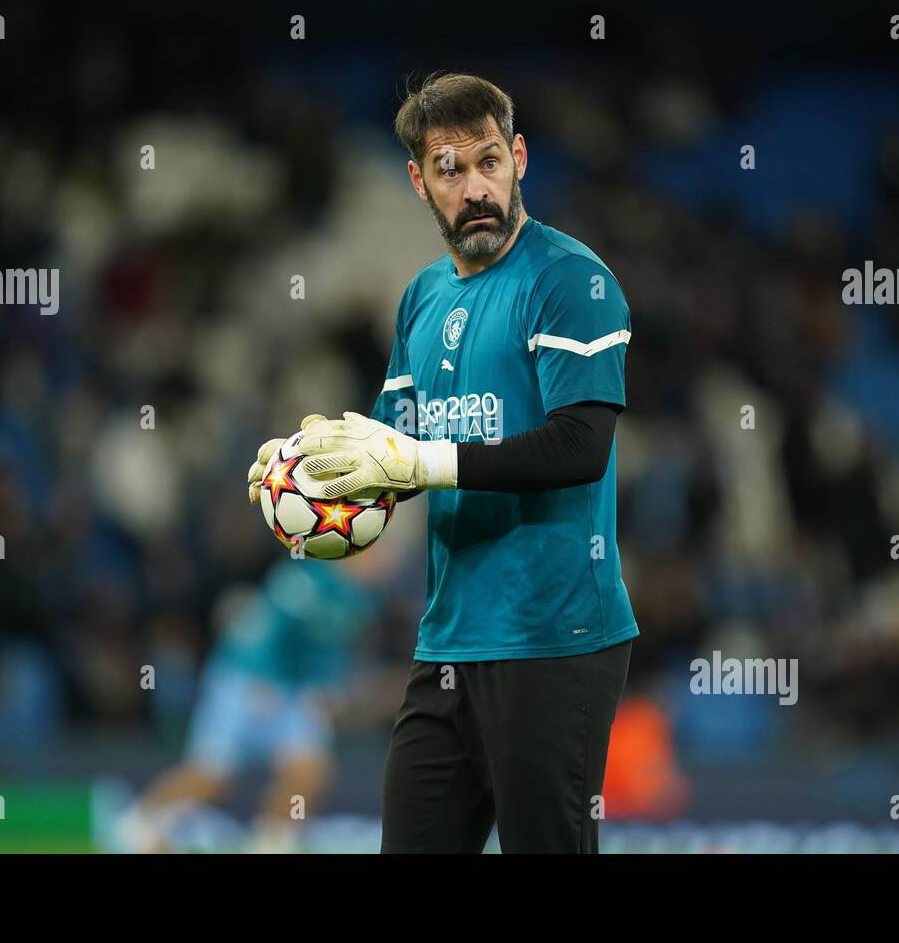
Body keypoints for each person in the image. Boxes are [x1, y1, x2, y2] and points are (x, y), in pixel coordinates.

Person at [248, 73, 638, 853]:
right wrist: (307, 469)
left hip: (555, 635)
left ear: (519, 157)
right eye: (450, 170)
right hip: (449, 643)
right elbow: (388, 460)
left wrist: (419, 463)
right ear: (419, 181)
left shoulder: (571, 280)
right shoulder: (421, 298)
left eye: (489, 159)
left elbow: (579, 448)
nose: (476, 186)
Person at [119, 550, 388, 853]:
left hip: (296, 690)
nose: (382, 562)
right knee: (214, 775)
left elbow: (332, 649)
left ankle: (271, 842)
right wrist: (263, 681)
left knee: (311, 769)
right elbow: (266, 628)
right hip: (245, 677)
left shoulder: (365, 598)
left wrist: (329, 690)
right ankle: (141, 818)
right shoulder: (304, 578)